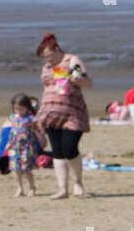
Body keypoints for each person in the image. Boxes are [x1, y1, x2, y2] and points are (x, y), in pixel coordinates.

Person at [34, 33, 92, 198]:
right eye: (44, 58)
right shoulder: (47, 67)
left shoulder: (72, 61)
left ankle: (78, 182)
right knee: (57, 151)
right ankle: (62, 189)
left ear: (57, 50)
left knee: (70, 148)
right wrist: (40, 113)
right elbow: (46, 88)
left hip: (72, 113)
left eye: (49, 56)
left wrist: (76, 78)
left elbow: (88, 81)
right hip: (50, 114)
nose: (48, 60)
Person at [3, 93, 44, 196]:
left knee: (26, 169)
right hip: (14, 146)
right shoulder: (13, 117)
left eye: (21, 109)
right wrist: (8, 143)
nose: (18, 111)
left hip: (27, 146)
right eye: (16, 109)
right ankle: (20, 188)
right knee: (15, 168)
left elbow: (38, 126)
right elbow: (12, 131)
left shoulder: (30, 118)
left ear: (26, 108)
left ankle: (32, 187)